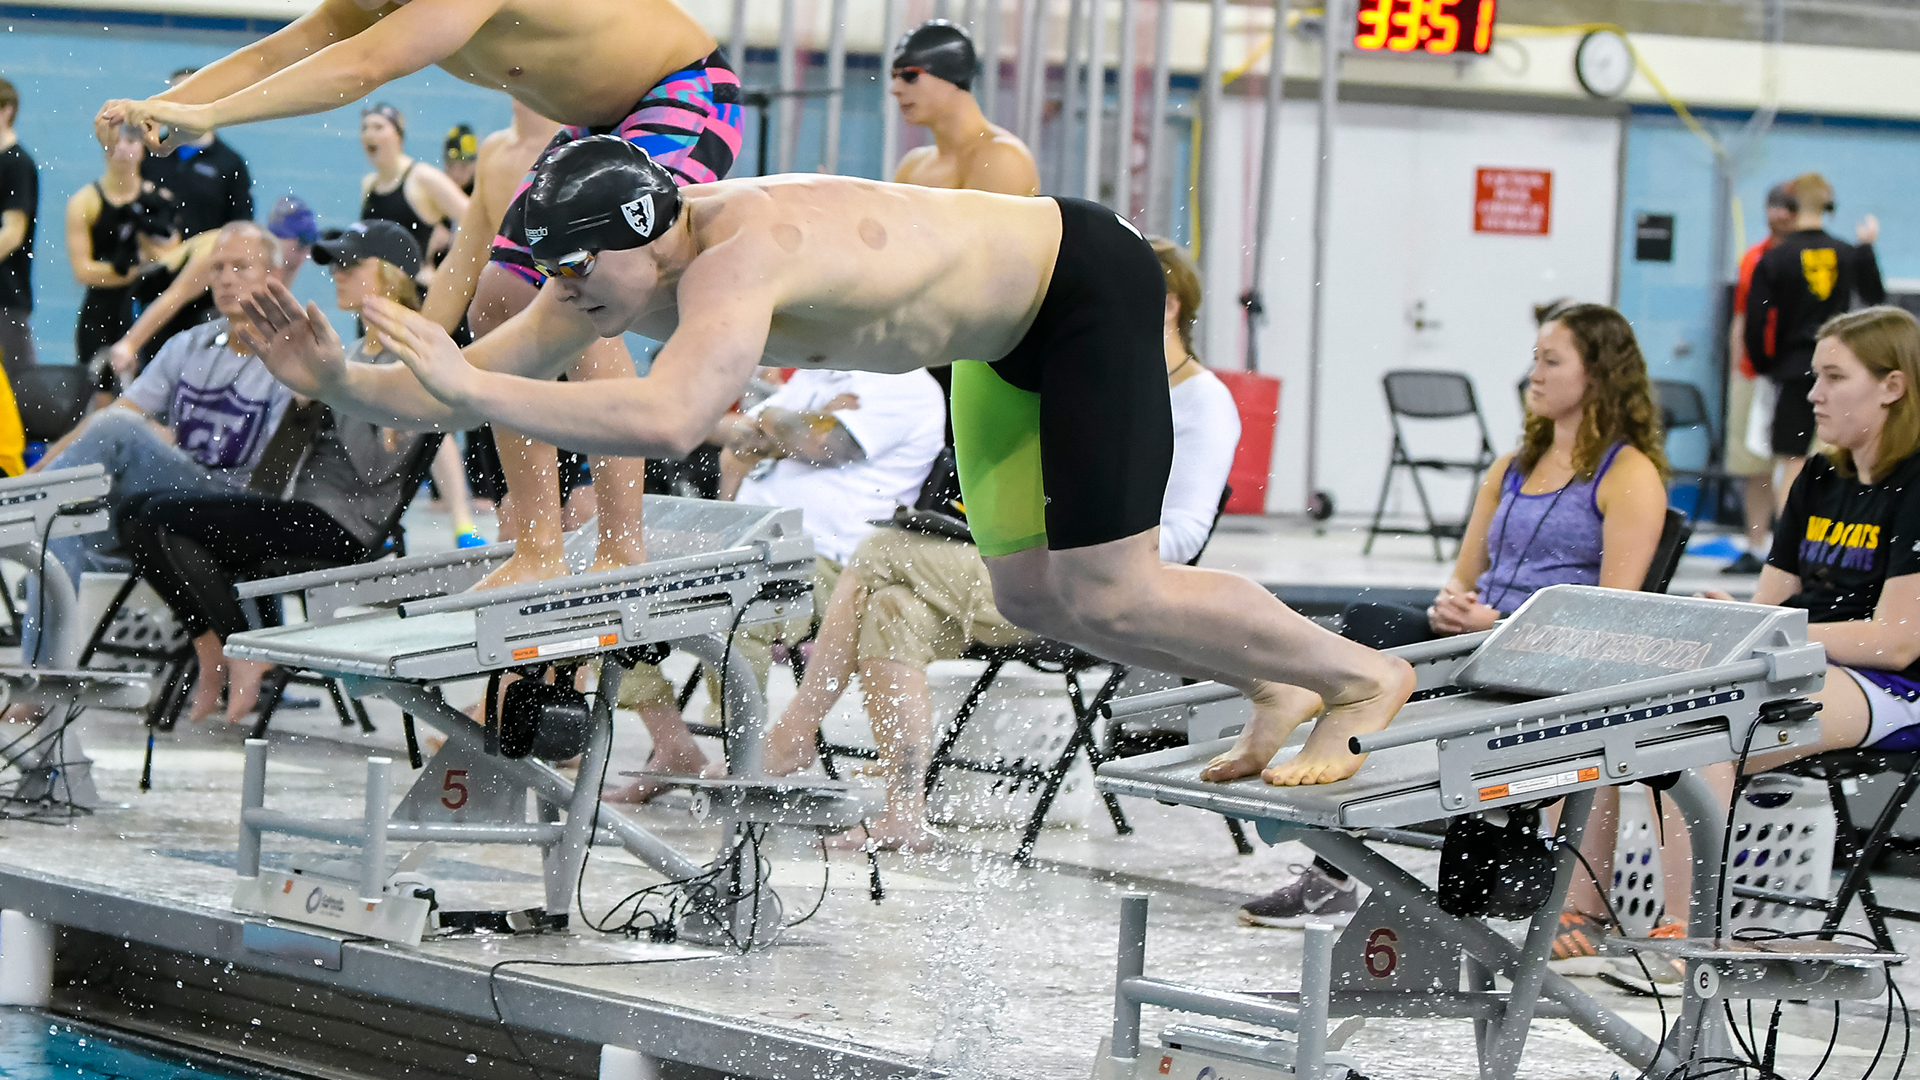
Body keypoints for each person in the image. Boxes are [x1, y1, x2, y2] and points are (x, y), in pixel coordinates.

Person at [240, 138, 1416, 789]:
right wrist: (335, 378)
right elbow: (463, 376)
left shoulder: (735, 256)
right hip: (993, 349)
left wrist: (464, 384)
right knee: (1031, 596)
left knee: (1114, 587)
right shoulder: (612, 268)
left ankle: (1362, 678)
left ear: (645, 239)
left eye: (577, 275)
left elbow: (668, 421)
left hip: (1080, 289)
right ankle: (1271, 683)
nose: (565, 299)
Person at [95, 0, 745, 591]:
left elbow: (363, 65)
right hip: (601, 121)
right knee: (498, 301)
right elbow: (280, 51)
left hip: (681, 94)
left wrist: (209, 115)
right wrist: (164, 106)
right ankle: (539, 546)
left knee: (576, 296)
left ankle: (622, 546)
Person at [758, 237, 1240, 850]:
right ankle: (904, 814)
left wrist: (1083, 540)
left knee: (881, 552)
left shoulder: (1203, 401)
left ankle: (794, 733)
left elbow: (1185, 537)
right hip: (1026, 569)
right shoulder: (1098, 383)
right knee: (892, 609)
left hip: (1096, 590)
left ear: (1167, 306)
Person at [1241, 303, 1672, 927]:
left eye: (1552, 362)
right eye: (1535, 360)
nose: (1534, 375)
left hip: (1546, 655)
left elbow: (1610, 614)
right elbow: (1464, 575)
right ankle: (1329, 864)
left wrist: (1498, 627)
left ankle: (1335, 834)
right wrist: (1453, 606)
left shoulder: (1629, 474)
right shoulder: (1513, 467)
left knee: (1380, 651)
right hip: (1477, 639)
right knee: (1369, 622)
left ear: (1600, 375)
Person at [1557, 306, 1920, 972]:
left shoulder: (1917, 485)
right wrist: (1733, 623)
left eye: (1834, 377)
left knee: (1698, 737)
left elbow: (1896, 641)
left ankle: (1688, 933)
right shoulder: (1817, 478)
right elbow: (1769, 607)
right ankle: (1583, 908)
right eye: (1815, 376)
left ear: (1892, 386)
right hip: (1801, 657)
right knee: (1614, 711)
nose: (1813, 394)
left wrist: (1777, 632)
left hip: (1893, 686)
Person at [122, 220, 430, 724]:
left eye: (351, 264)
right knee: (135, 513)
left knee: (163, 519)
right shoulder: (356, 353)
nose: (337, 274)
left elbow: (378, 469)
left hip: (343, 525)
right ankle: (214, 646)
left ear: (391, 275)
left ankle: (242, 649)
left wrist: (332, 388)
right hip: (300, 508)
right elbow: (280, 467)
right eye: (334, 264)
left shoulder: (409, 358)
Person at [609, 364, 947, 804]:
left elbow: (822, 443)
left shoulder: (905, 384)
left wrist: (775, 423)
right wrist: (795, 423)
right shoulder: (818, 375)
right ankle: (674, 747)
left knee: (739, 602)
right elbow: (726, 430)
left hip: (835, 567)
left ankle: (745, 758)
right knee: (617, 585)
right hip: (746, 546)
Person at [23, 221, 291, 662]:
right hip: (173, 500)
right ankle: (43, 674)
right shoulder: (189, 345)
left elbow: (279, 475)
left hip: (239, 504)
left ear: (274, 276)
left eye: (240, 267)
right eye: (218, 267)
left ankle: (22, 506)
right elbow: (110, 419)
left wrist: (34, 486)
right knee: (61, 521)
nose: (225, 279)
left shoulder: (294, 357)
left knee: (117, 433)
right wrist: (36, 474)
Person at [1744, 171, 1885, 500]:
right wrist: (1866, 248)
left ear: (1792, 207)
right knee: (1838, 456)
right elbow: (1875, 298)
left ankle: (1789, 530)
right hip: (1839, 368)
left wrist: (1766, 364)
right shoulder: (1847, 253)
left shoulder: (1775, 258)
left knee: (1792, 459)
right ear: (1829, 206)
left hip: (1793, 368)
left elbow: (1756, 320)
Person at [1720, 182, 1799, 575]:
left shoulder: (1810, 259)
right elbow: (1741, 315)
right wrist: (1739, 367)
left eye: (1787, 207)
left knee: (1798, 461)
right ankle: (1756, 544)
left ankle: (1791, 546)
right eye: (1773, 206)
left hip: (1797, 374)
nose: (1778, 214)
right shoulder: (1753, 258)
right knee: (1754, 462)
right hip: (1756, 371)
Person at [67, 125, 178, 398]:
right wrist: (136, 271)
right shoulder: (84, 202)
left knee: (150, 396)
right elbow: (83, 271)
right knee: (98, 397)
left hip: (147, 311)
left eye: (130, 141)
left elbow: (172, 260)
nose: (123, 149)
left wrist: (144, 235)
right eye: (116, 142)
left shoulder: (160, 200)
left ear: (142, 149)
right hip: (101, 311)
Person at [890, 21, 1039, 197]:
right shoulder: (912, 166)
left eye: (909, 75)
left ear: (951, 75)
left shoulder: (1001, 157)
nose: (895, 89)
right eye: (894, 77)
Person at [358, 103, 467, 286]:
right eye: (364, 128)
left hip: (417, 294)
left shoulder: (421, 177)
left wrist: (449, 268)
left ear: (398, 136)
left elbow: (472, 215)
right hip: (379, 293)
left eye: (378, 127)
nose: (369, 134)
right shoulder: (369, 185)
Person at [138, 68, 253, 241]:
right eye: (176, 97)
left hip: (203, 255)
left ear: (210, 101)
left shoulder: (230, 164)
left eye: (192, 96)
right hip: (152, 253)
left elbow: (240, 227)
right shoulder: (147, 152)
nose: (183, 104)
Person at [0, 77, 39, 380]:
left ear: (6, 111)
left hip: (6, 297)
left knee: (17, 388)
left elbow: (13, 234)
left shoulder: (17, 164)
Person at [443, 123, 479, 196]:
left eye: (463, 164)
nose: (456, 172)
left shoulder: (486, 196)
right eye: (450, 164)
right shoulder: (438, 194)